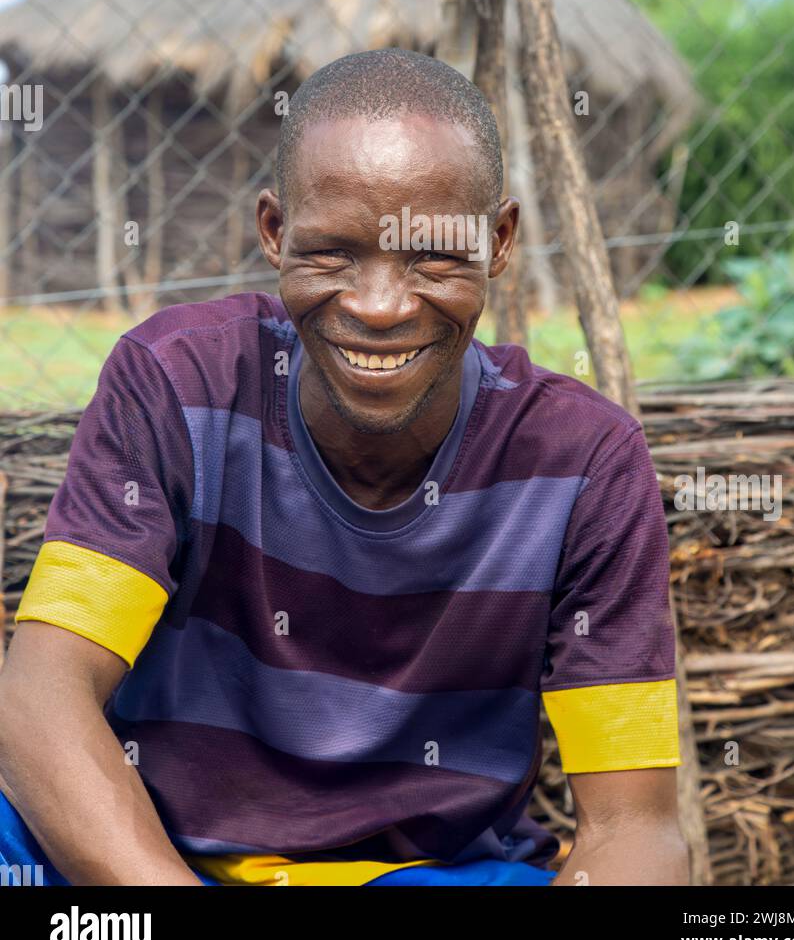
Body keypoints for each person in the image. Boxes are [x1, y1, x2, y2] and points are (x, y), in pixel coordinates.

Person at [0, 48, 686, 886]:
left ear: (498, 241)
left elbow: (635, 830)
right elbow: (40, 698)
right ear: (274, 233)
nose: (379, 307)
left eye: (431, 257)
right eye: (331, 253)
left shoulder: (583, 462)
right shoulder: (179, 384)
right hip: (147, 855)